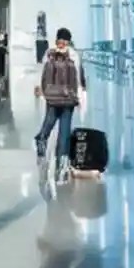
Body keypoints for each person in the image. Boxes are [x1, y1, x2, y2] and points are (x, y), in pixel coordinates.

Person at [33, 27, 87, 183]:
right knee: (59, 129)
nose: (62, 42)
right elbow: (78, 79)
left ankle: (44, 143)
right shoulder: (73, 55)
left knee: (55, 127)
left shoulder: (51, 54)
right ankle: (61, 163)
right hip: (65, 99)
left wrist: (40, 89)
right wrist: (80, 98)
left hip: (56, 98)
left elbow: (41, 72)